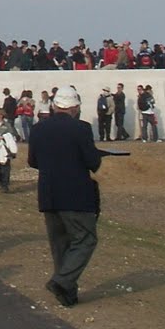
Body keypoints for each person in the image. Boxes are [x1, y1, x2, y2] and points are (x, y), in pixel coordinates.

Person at [28, 86, 106, 308]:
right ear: (75, 107)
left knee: (60, 243)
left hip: (49, 192)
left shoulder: (38, 129)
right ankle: (61, 281)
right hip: (76, 192)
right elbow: (93, 162)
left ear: (54, 106)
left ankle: (68, 293)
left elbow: (33, 161)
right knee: (85, 239)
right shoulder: (81, 128)